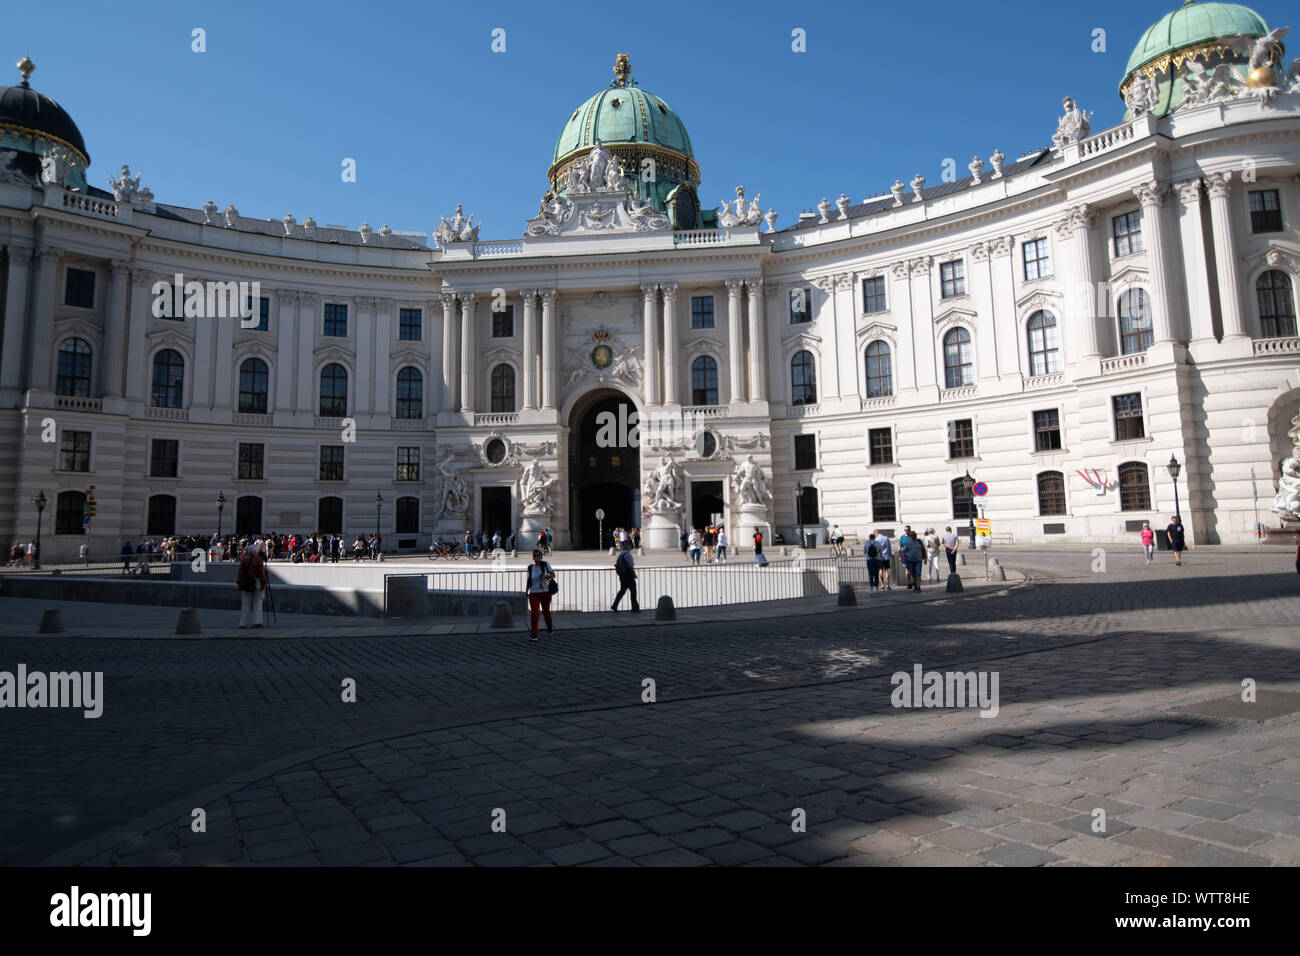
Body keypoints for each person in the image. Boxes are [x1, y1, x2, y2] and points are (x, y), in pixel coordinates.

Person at [524, 548, 556, 642]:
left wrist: (546, 576)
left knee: (546, 612)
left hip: (545, 592)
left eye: (538, 555)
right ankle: (534, 634)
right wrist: (526, 590)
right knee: (535, 613)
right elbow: (529, 580)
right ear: (533, 557)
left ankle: (549, 627)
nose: (536, 557)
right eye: (535, 555)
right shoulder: (530, 568)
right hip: (533, 593)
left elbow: (553, 575)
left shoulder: (546, 564)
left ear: (541, 557)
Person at [237, 540, 269, 628]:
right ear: (255, 551)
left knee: (245, 604)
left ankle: (243, 623)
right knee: (257, 603)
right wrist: (263, 583)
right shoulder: (258, 560)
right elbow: (262, 574)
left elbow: (240, 574)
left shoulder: (244, 560)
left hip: (246, 582)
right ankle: (257, 622)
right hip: (257, 582)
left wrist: (239, 584)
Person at [611, 539, 640, 612]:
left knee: (622, 591)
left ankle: (614, 605)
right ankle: (635, 608)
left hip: (622, 576)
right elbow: (630, 567)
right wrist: (634, 575)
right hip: (629, 576)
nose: (630, 547)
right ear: (628, 547)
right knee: (633, 592)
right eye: (630, 546)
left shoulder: (621, 555)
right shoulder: (628, 555)